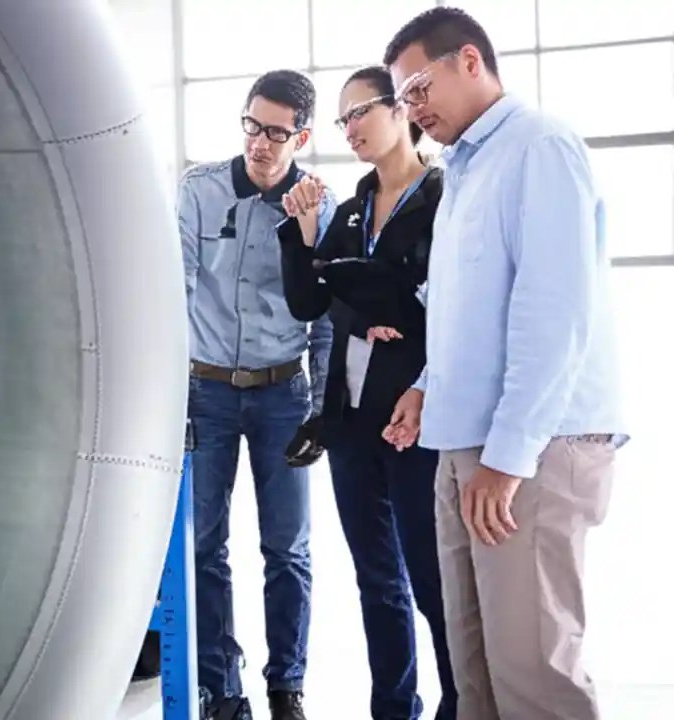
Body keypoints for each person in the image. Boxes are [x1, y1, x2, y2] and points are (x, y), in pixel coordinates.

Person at [381, 8, 626, 720]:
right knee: (476, 670)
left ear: (469, 60)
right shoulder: (466, 168)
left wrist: (508, 457)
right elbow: (467, 307)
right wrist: (427, 387)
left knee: (533, 677)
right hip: (467, 443)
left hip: (530, 450)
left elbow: (554, 313)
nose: (415, 109)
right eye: (405, 99)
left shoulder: (538, 147)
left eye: (420, 87)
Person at [275, 65, 457, 720]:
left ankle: (463, 704)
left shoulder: (444, 197)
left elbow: (454, 305)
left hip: (417, 420)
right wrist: (303, 233)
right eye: (342, 118)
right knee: (378, 582)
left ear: (402, 109)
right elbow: (308, 301)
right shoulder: (350, 211)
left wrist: (392, 309)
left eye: (361, 112)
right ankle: (394, 709)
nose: (350, 128)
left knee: (437, 585)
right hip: (351, 424)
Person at [177, 69, 335, 720]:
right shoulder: (198, 192)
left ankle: (286, 687)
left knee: (286, 549)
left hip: (282, 395)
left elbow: (327, 317)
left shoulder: (317, 208)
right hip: (207, 392)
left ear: (301, 135)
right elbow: (172, 293)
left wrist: (323, 410)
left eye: (276, 132)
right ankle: (221, 689)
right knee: (205, 545)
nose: (260, 143)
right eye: (252, 125)